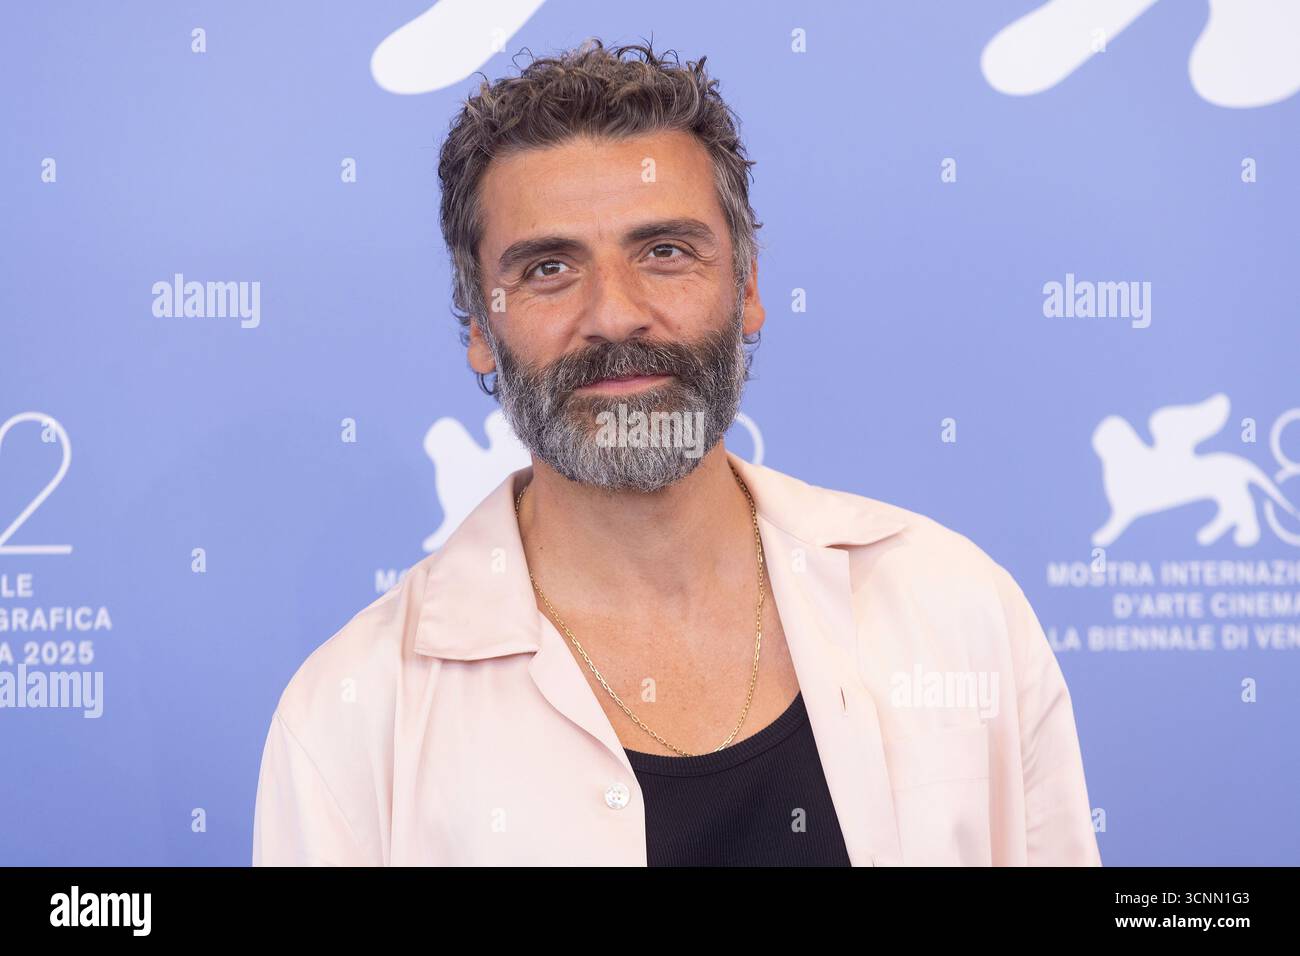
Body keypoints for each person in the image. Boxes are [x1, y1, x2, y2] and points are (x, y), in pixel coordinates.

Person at [252, 38, 1101, 866]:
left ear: (749, 288)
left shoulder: (954, 610)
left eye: (664, 252)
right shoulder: (350, 720)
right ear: (479, 324)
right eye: (549, 267)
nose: (615, 314)